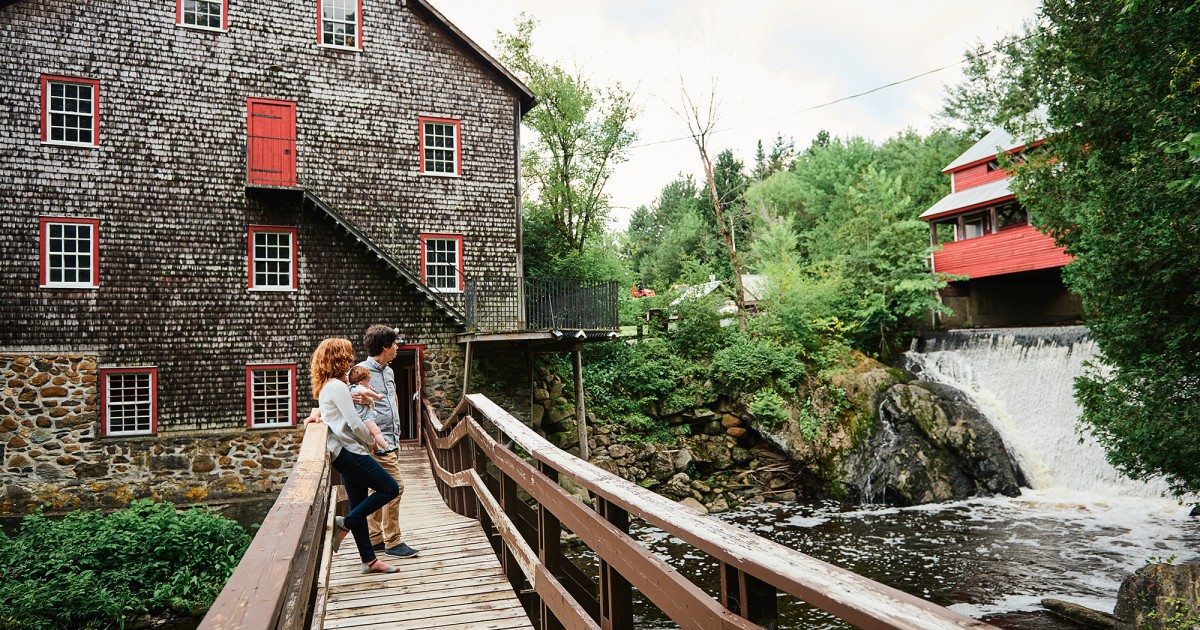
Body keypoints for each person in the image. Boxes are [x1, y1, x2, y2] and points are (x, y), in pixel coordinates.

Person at [310, 337, 400, 574]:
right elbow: (355, 423)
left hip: (343, 451)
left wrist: (316, 415)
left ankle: (369, 561)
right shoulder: (337, 387)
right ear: (339, 357)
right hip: (350, 451)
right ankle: (345, 522)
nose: (351, 358)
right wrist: (372, 443)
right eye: (348, 354)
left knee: (358, 502)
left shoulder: (330, 386)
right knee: (390, 488)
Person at [356, 325, 419, 559]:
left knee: (378, 488)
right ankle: (393, 540)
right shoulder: (360, 371)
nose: (397, 347)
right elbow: (349, 405)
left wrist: (398, 427)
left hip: (392, 438)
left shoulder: (389, 371)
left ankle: (374, 539)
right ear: (385, 346)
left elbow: (392, 397)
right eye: (395, 343)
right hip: (377, 442)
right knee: (396, 488)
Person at [347, 365, 387, 453]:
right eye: (368, 381)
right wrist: (376, 395)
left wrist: (368, 389)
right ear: (361, 383)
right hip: (364, 417)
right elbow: (365, 392)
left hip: (360, 417)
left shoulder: (351, 388)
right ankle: (387, 447)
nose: (369, 384)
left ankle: (377, 449)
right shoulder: (358, 388)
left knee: (372, 435)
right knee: (376, 432)